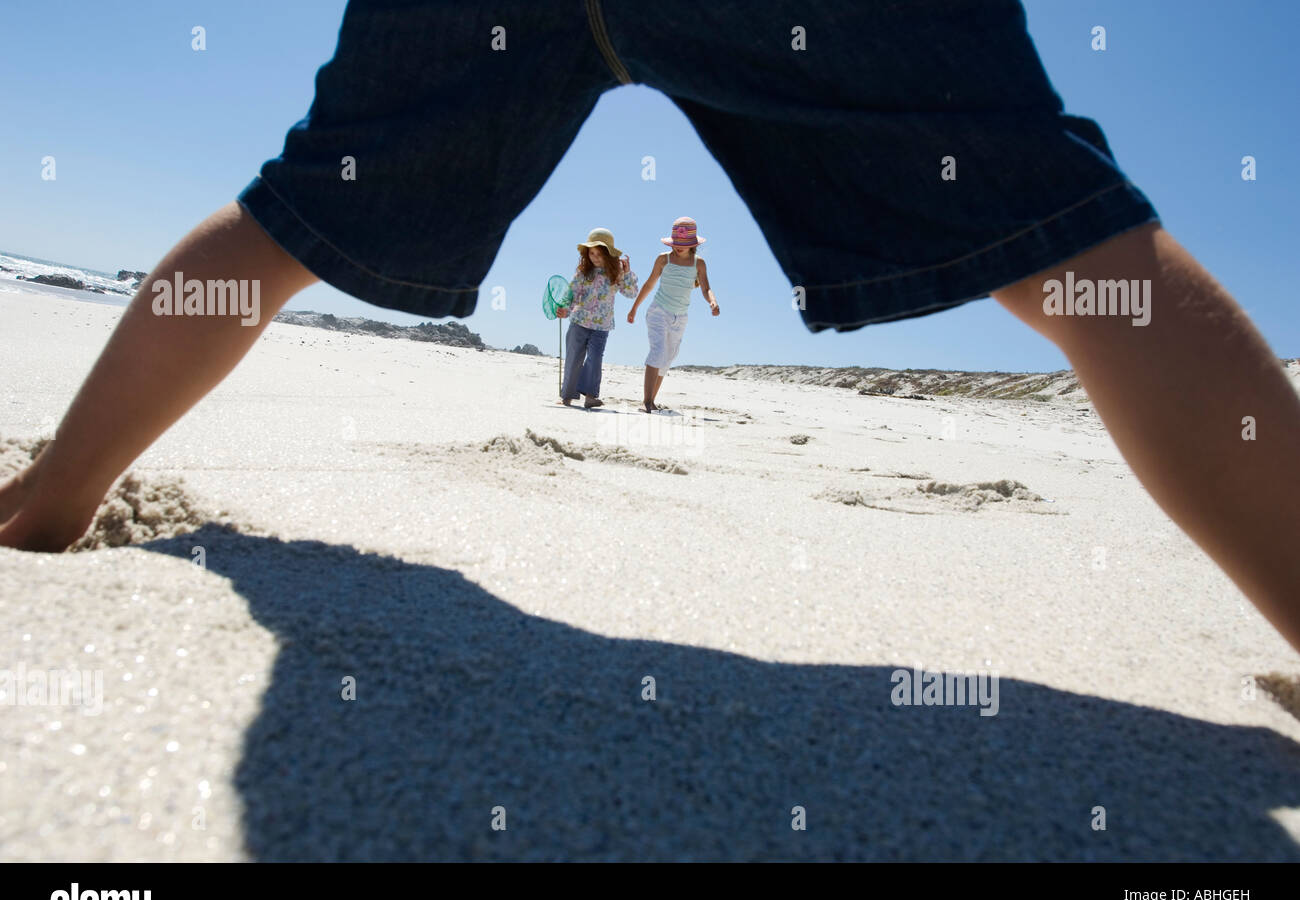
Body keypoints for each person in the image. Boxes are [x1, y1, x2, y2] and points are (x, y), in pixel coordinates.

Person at [2, 1, 1298, 654]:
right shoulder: (626, 269)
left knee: (287, 222)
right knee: (1065, 245)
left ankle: (49, 500)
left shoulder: (660, 268)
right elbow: (588, 301)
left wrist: (668, 298)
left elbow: (630, 297)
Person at [626, 217, 720, 413]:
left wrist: (712, 301)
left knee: (668, 358)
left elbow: (706, 288)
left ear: (693, 244)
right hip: (658, 311)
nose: (679, 247)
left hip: (681, 317)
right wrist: (634, 307)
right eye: (676, 243)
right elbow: (649, 284)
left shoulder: (699, 263)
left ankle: (652, 400)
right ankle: (646, 402)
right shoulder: (664, 259)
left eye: (683, 244)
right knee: (658, 351)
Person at [556, 228, 638, 408]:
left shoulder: (616, 274)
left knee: (595, 358)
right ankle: (567, 397)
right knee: (573, 358)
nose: (594, 257)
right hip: (579, 322)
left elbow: (631, 293)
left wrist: (628, 273)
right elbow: (572, 295)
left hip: (602, 326)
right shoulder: (582, 273)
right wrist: (564, 310)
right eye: (591, 253)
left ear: (609, 254)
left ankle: (591, 396)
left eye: (599, 254)